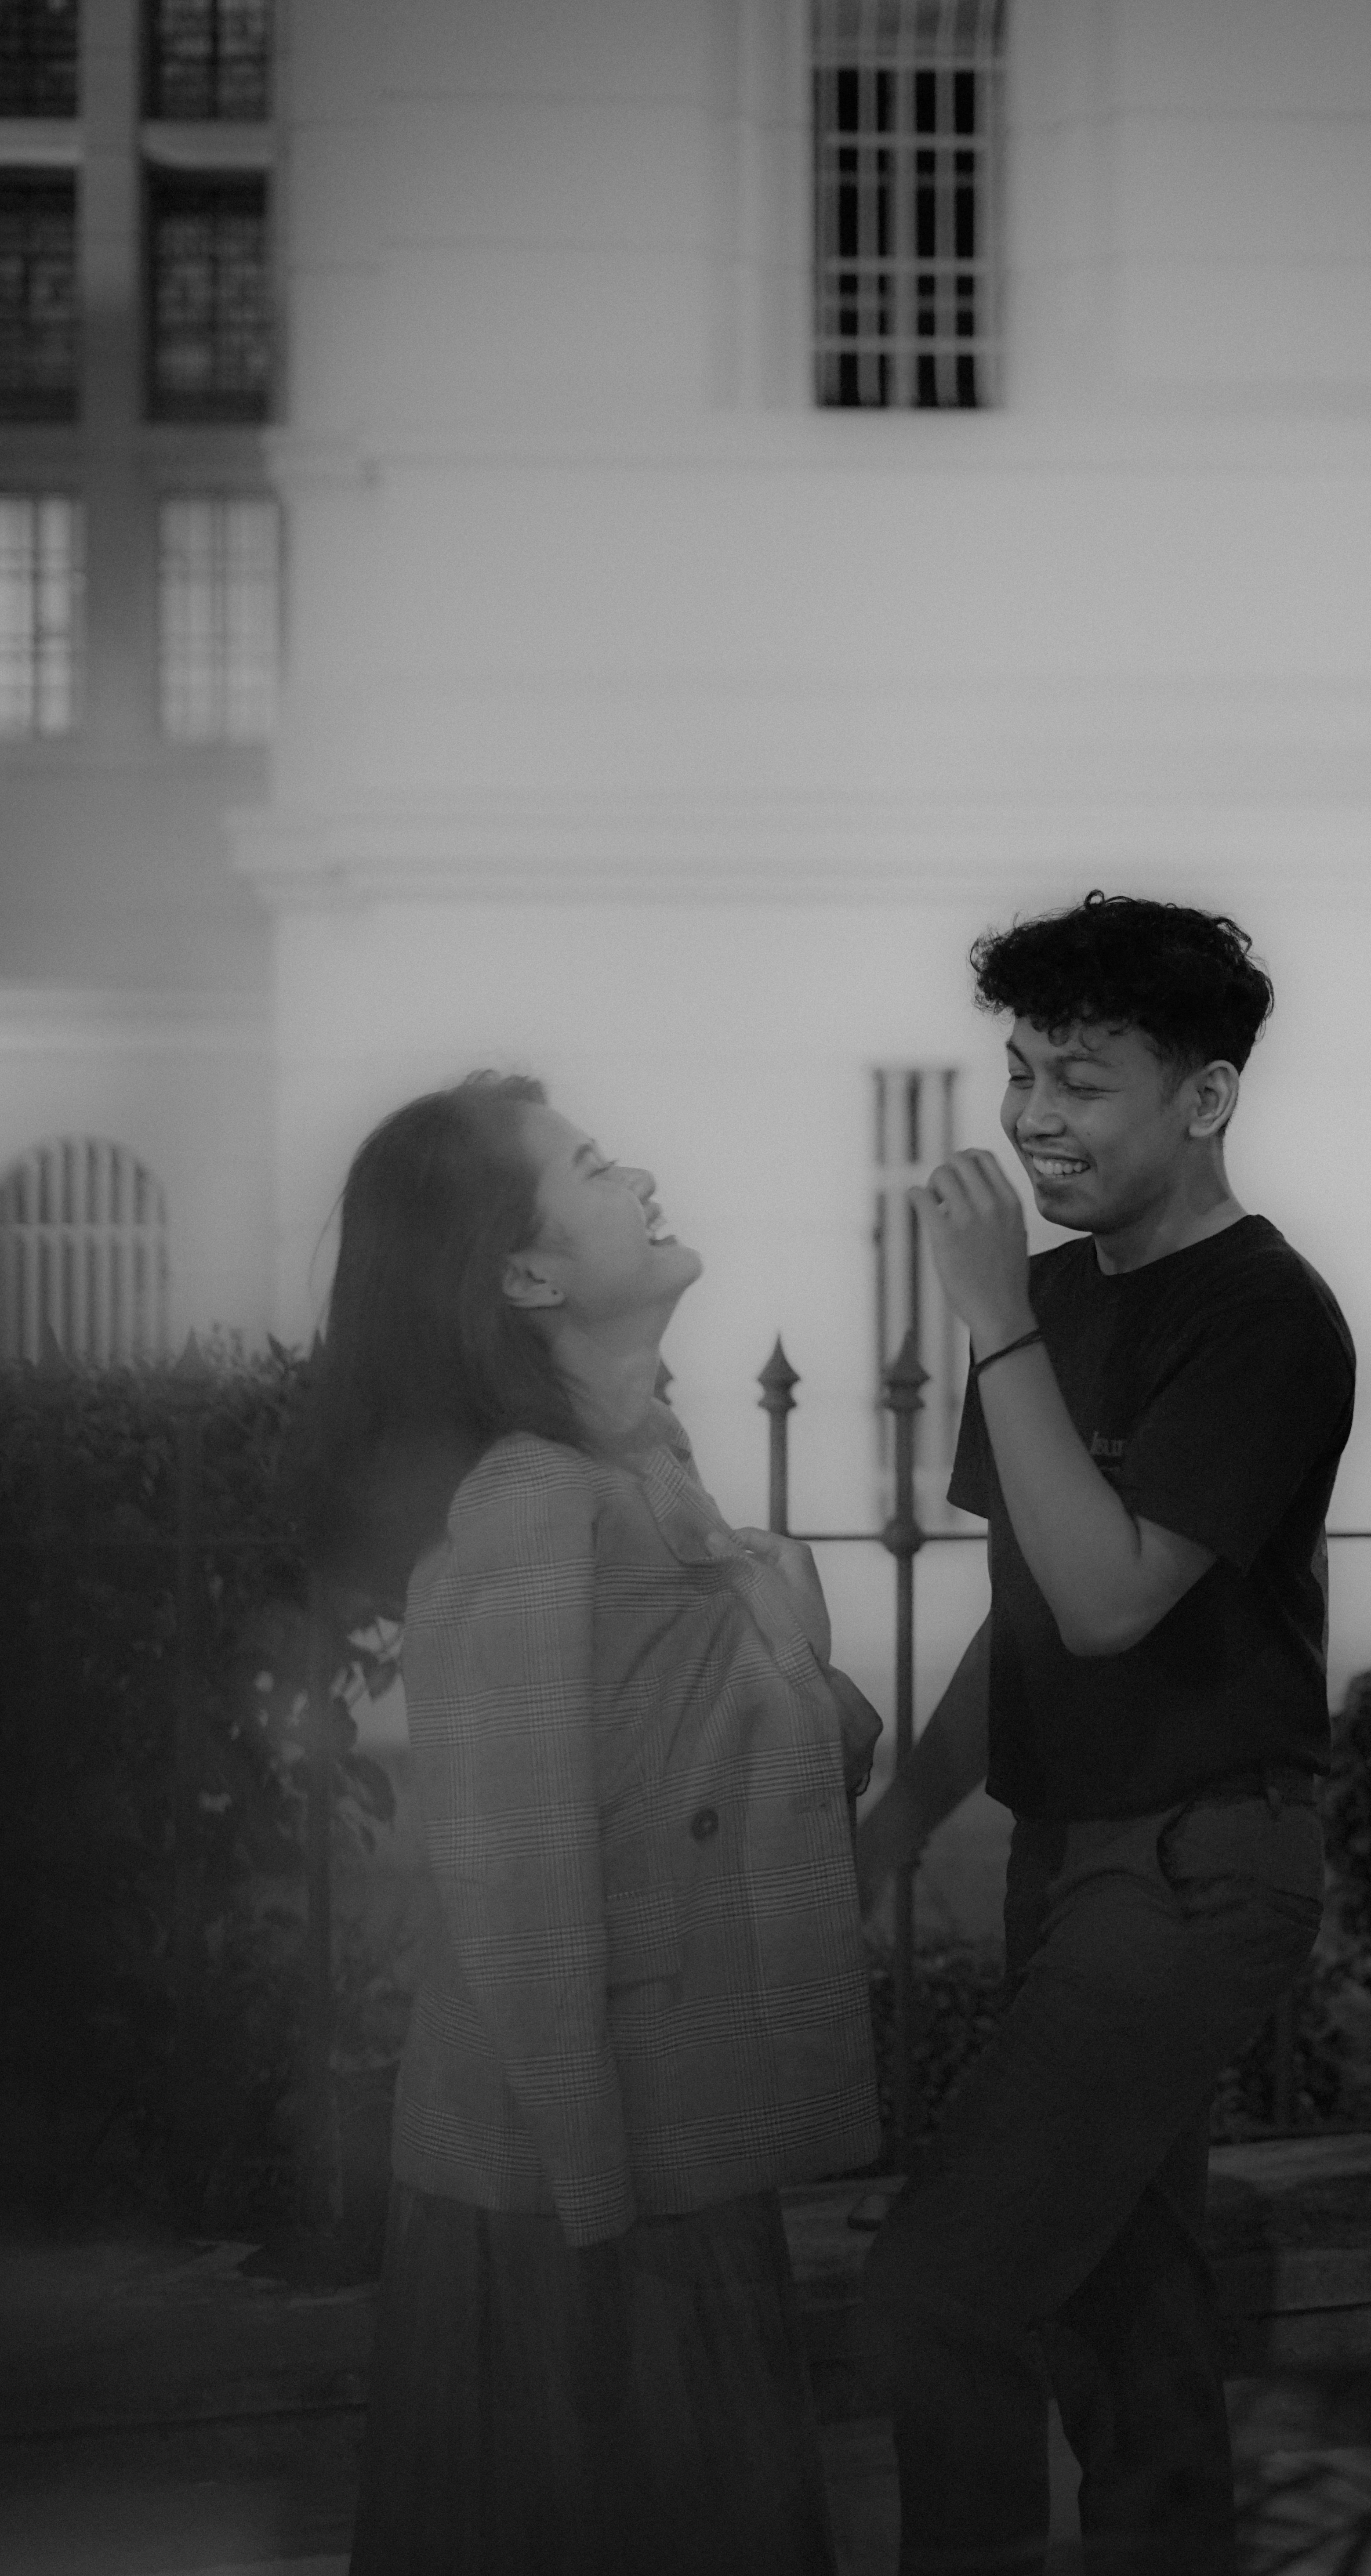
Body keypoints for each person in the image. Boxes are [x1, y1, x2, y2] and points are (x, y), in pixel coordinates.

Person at [302, 1071, 881, 2576]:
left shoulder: (652, 1474)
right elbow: (514, 1883)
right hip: (573, 2186)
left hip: (666, 2146)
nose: (640, 1180)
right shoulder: (530, 1508)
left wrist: (791, 1663)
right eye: (594, 1166)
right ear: (529, 1273)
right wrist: (589, 2215)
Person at [856, 893, 1356, 2576]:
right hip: (1073, 1850)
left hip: (1204, 1862)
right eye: (1019, 1074)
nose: (1033, 1119)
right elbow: (1018, 1610)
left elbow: (1113, 1598)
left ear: (1203, 1099)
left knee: (942, 2287)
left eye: (1082, 1080)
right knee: (1125, 2323)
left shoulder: (1270, 1318)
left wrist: (994, 1317)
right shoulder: (1056, 1300)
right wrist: (902, 1817)